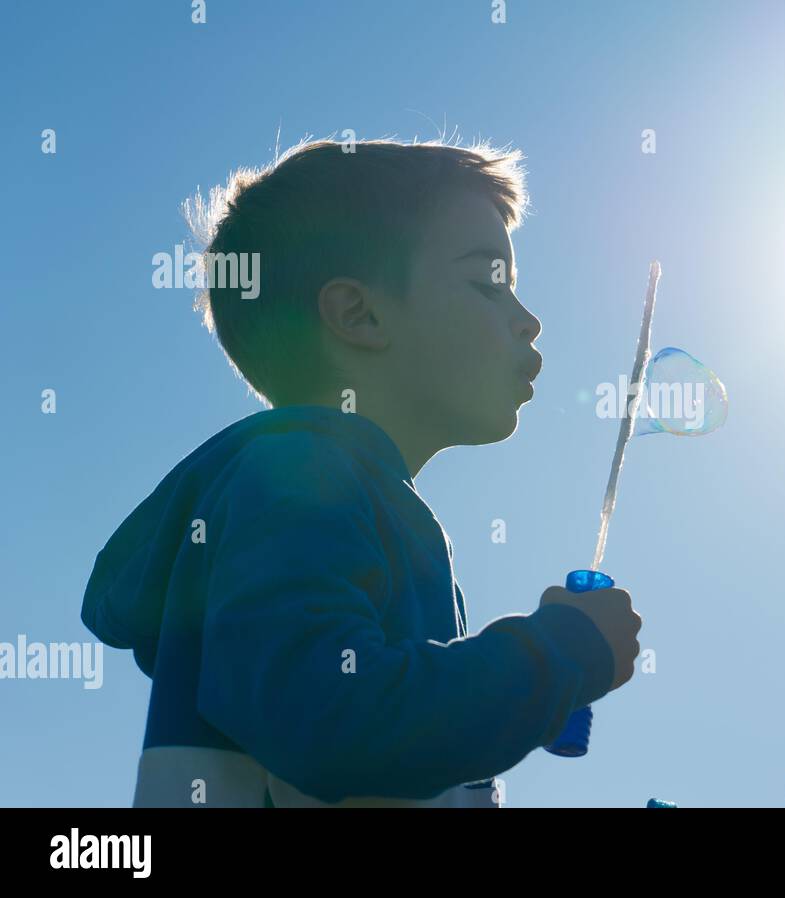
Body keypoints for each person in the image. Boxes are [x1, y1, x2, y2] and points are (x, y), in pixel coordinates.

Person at [81, 138, 642, 807]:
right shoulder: (293, 478)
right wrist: (560, 654)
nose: (529, 321)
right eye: (489, 282)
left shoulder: (366, 505)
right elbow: (327, 718)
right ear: (360, 314)